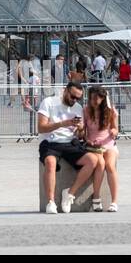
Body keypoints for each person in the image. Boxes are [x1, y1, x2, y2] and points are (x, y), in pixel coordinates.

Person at [37, 81, 102, 214]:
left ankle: (70, 194)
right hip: (50, 141)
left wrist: (80, 130)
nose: (74, 100)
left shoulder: (78, 108)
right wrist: (62, 123)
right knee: (50, 162)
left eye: (78, 98)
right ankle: (51, 202)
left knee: (92, 160)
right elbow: (41, 128)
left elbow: (80, 135)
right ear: (65, 91)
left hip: (70, 142)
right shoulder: (49, 102)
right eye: (72, 96)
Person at [82, 85, 119, 211]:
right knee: (100, 164)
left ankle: (114, 201)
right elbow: (83, 132)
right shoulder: (86, 110)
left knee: (110, 166)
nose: (93, 102)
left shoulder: (110, 111)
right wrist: (88, 141)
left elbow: (115, 128)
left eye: (96, 99)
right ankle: (96, 197)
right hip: (93, 145)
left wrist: (113, 131)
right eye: (91, 99)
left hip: (108, 144)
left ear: (103, 99)